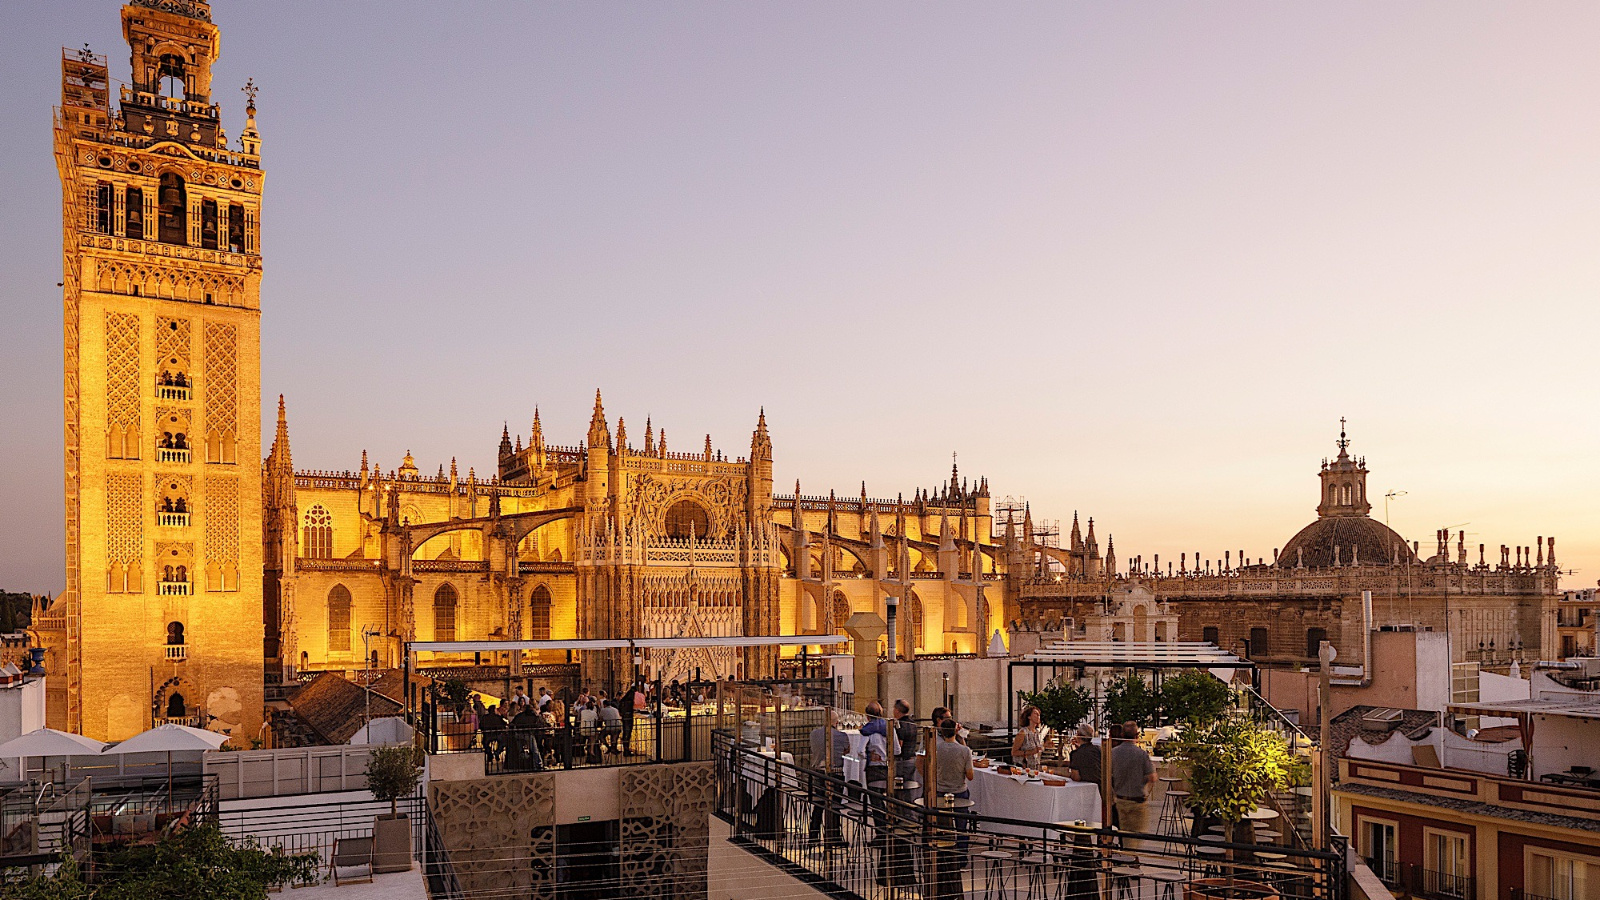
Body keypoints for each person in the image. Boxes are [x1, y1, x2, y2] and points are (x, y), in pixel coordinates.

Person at [932, 717, 975, 853]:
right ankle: (962, 855)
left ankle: (943, 853)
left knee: (942, 825)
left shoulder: (936, 748)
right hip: (959, 790)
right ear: (956, 731)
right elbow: (970, 776)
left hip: (940, 789)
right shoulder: (965, 751)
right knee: (961, 825)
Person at [808, 709, 849, 846]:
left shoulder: (814, 734)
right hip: (835, 772)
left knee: (818, 804)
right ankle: (833, 836)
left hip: (818, 771)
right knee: (834, 805)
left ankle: (813, 836)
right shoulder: (842, 735)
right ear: (836, 722)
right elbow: (846, 750)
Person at [1111, 722, 1157, 844]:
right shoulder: (1141, 754)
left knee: (1126, 836)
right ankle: (1131, 860)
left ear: (1122, 734)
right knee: (1135, 840)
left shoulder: (1113, 753)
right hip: (1137, 801)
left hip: (1120, 800)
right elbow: (1152, 777)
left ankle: (1128, 858)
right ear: (1137, 736)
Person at [891, 700, 920, 801]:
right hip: (912, 758)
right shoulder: (913, 723)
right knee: (909, 788)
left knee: (900, 790)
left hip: (902, 761)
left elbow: (899, 746)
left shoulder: (900, 725)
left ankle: (902, 812)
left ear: (898, 710)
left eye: (894, 708)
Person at [1012, 705, 1045, 770]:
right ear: (1029, 717)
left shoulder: (1037, 733)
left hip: (1034, 768)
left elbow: (1038, 750)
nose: (1038, 716)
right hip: (1023, 768)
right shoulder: (1023, 732)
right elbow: (1014, 752)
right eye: (1035, 713)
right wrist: (1031, 752)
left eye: (1039, 714)